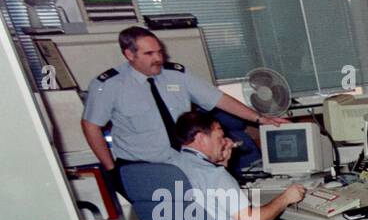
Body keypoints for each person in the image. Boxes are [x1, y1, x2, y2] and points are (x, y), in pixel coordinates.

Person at [81, 27, 290, 191]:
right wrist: (111, 169)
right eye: (149, 53)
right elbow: (91, 126)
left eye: (159, 51)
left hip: (184, 162)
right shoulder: (108, 85)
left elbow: (218, 99)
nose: (159, 58)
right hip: (144, 168)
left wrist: (260, 119)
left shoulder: (176, 75)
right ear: (129, 54)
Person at [169, 111, 306, 220]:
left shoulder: (172, 165)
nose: (224, 142)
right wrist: (285, 198)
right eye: (220, 137)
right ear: (200, 138)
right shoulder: (215, 175)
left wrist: (222, 164)